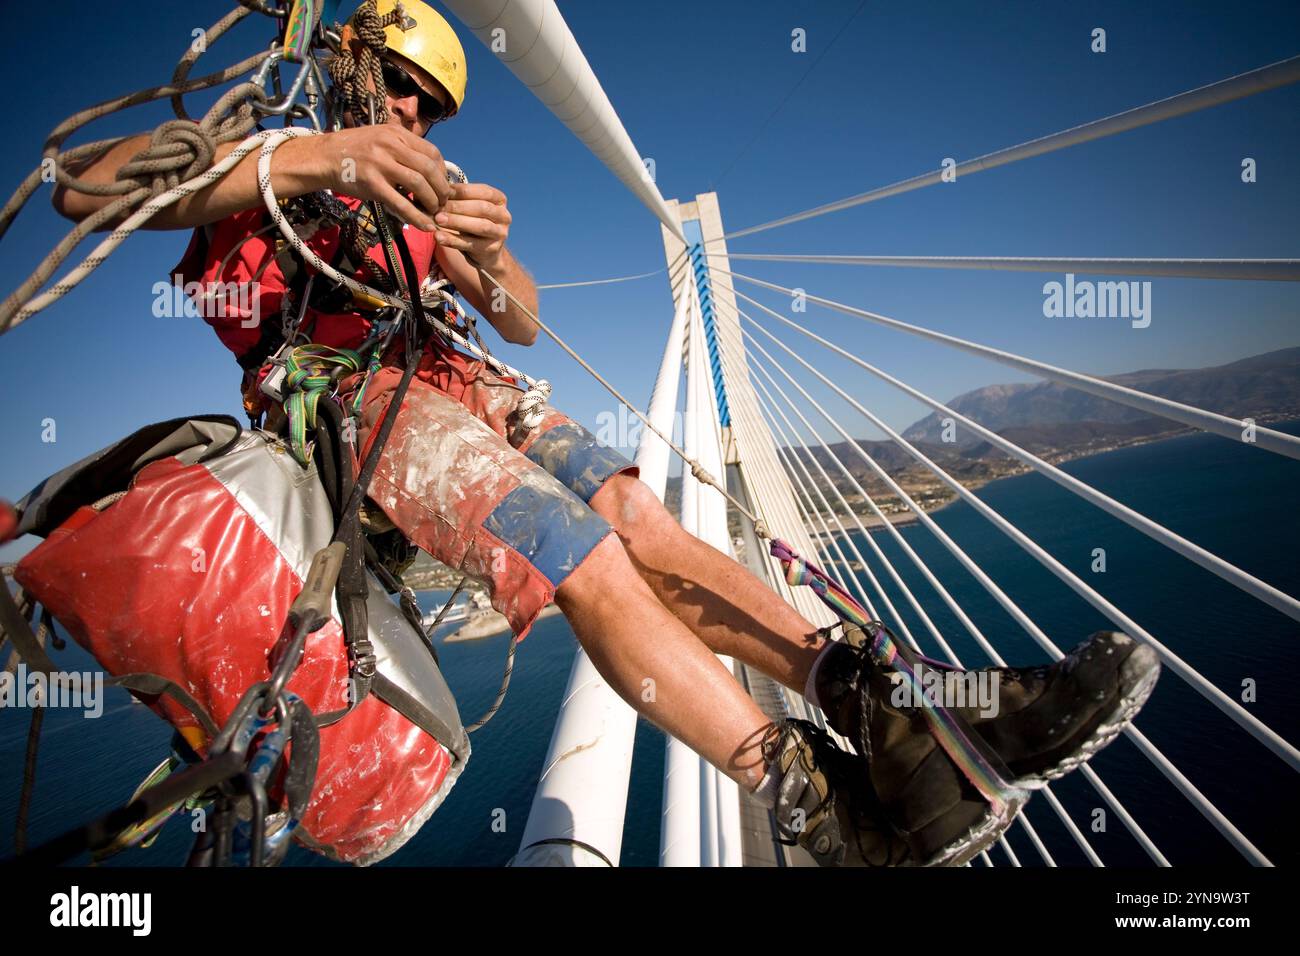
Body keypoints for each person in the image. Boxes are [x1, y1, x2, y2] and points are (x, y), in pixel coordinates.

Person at [52, 0, 1160, 866]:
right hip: (359, 402)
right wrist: (309, 158)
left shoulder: (406, 193)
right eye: (398, 87)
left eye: (430, 108)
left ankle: (901, 719)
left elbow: (522, 320)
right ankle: (828, 813)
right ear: (349, 64)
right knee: (577, 555)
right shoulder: (274, 155)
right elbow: (81, 185)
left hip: (466, 376)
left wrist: (481, 251)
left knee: (640, 513)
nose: (411, 119)